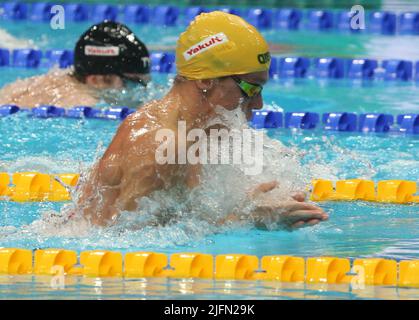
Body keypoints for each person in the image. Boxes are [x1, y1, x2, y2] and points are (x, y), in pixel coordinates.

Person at [72, 11, 328, 230]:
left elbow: (179, 219)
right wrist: (250, 218)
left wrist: (250, 203)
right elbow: (131, 247)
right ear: (206, 80)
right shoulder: (162, 145)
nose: (258, 104)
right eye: (250, 88)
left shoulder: (184, 130)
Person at [0, 21, 151, 108]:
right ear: (97, 80)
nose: (141, 92)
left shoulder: (39, 82)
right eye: (133, 84)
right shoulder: (82, 103)